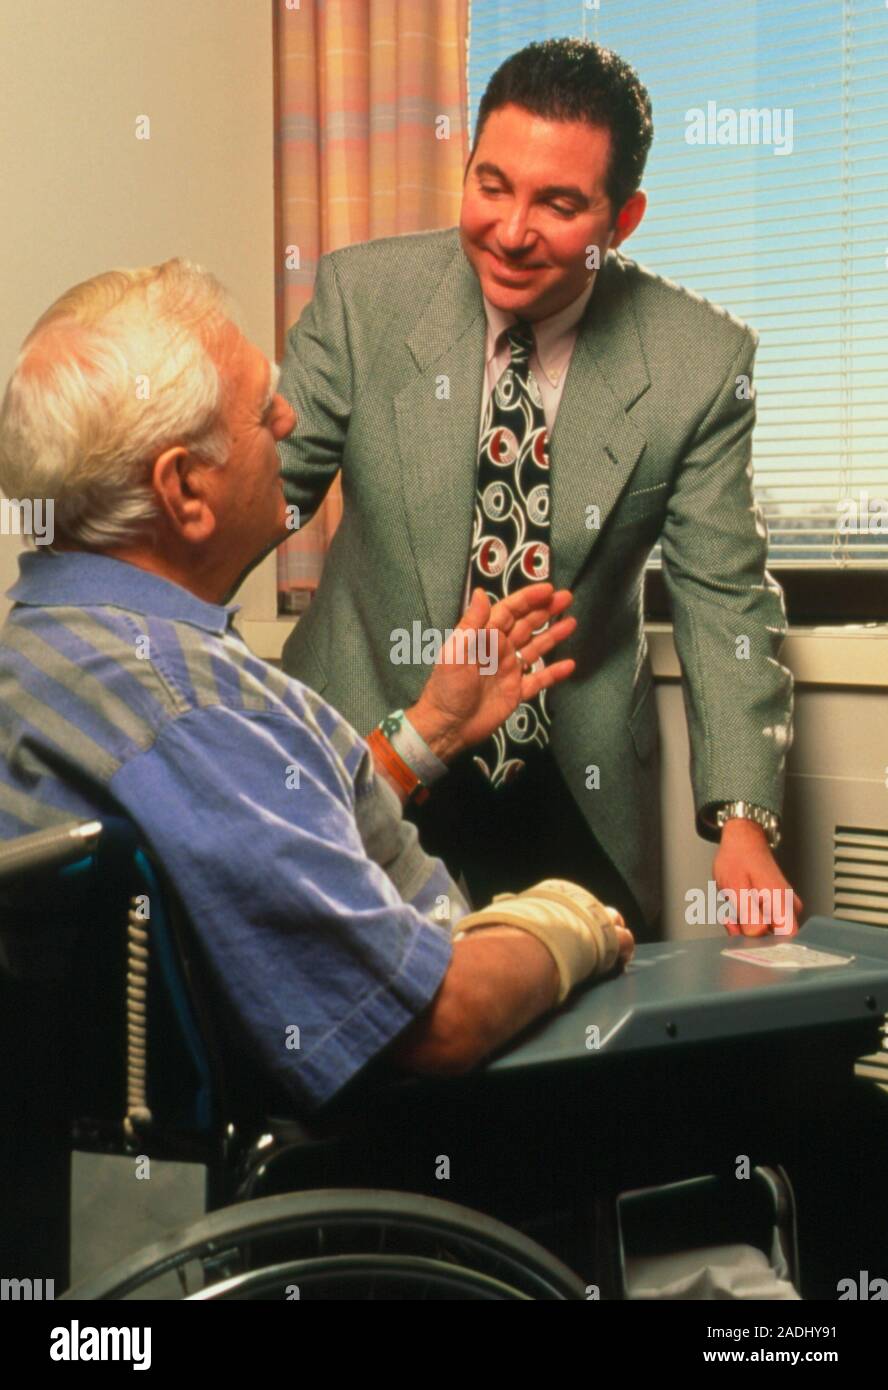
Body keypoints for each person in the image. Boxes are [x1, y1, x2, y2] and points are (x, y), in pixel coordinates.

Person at [0, 257, 634, 1120]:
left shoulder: (48, 656)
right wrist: (570, 920)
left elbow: (240, 820)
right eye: (265, 411)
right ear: (185, 489)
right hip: (359, 1177)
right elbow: (435, 1025)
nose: (291, 420)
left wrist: (429, 733)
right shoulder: (188, 710)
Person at [275, 38, 802, 944]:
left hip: (569, 773)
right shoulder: (366, 298)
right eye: (492, 186)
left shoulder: (700, 363)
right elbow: (259, 494)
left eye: (558, 204)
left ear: (622, 218)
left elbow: (725, 596)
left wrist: (745, 825)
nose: (513, 231)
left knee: (585, 1063)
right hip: (374, 742)